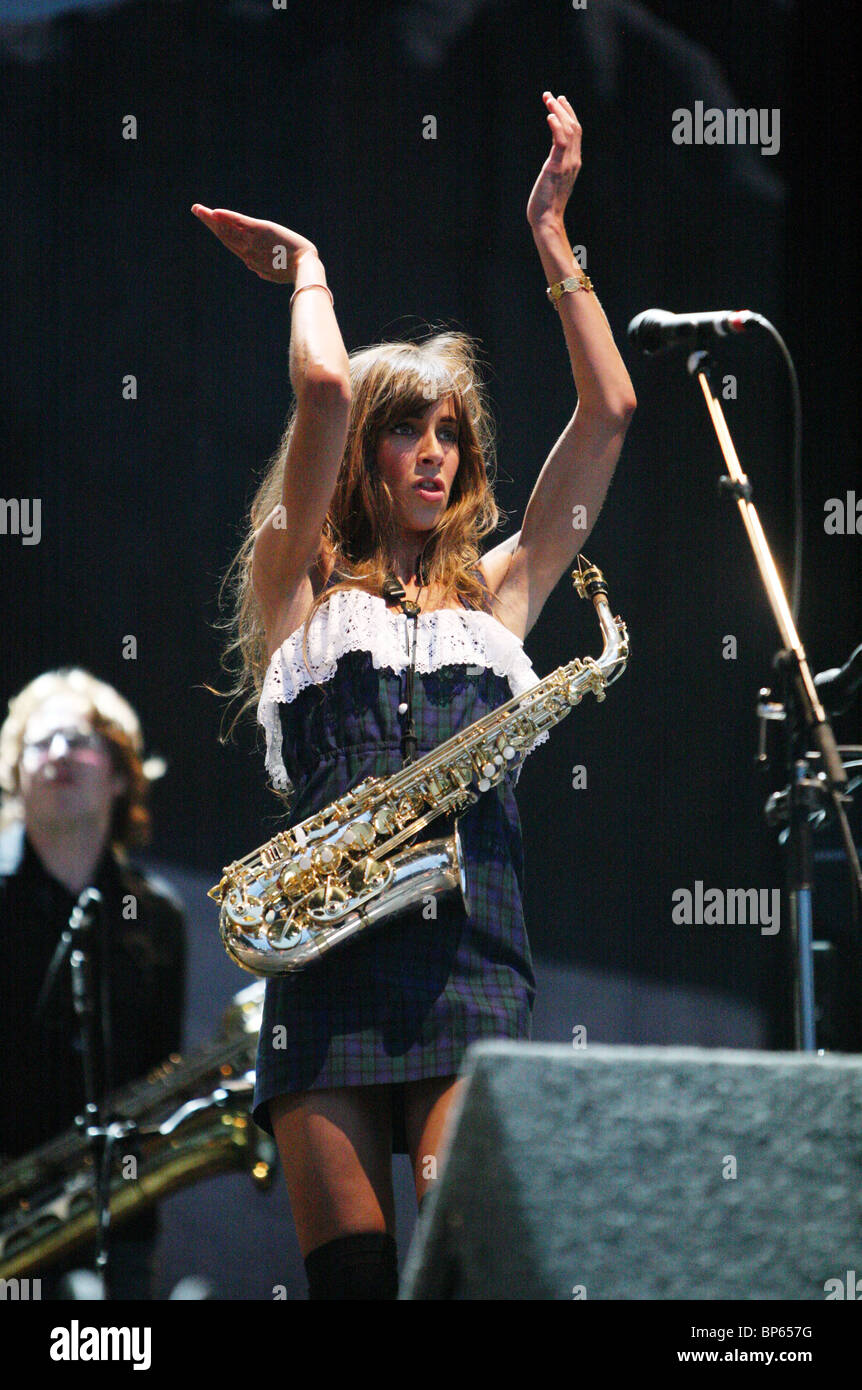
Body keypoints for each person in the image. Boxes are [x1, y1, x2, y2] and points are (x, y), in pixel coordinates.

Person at [195, 90, 635, 1300]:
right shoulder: (295, 591)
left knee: (465, 1285)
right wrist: (309, 275)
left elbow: (611, 413)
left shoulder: (498, 599)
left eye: (450, 432)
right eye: (408, 432)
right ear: (364, 462)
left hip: (471, 961)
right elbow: (325, 392)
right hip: (326, 967)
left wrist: (556, 241)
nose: (434, 451)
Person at [0, 668, 186, 1298]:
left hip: (120, 1222)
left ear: (118, 774)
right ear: (15, 776)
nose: (57, 755)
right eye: (39, 743)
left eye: (78, 740)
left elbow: (161, 1076)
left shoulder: (159, 918)